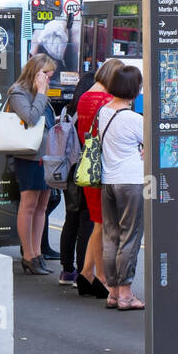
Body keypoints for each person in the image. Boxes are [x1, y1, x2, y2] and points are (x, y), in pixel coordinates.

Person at [72, 58, 123, 298]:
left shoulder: (85, 97)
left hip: (87, 164)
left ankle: (86, 273)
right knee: (102, 225)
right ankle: (100, 277)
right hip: (104, 166)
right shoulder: (107, 102)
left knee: (97, 222)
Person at [98, 65, 146, 310]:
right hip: (131, 182)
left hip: (108, 180)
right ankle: (126, 294)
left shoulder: (103, 112)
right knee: (130, 235)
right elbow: (153, 144)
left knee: (111, 236)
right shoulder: (133, 119)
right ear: (135, 89)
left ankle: (113, 292)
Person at [7, 53, 57, 275]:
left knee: (42, 206)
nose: (49, 79)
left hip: (45, 155)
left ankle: (37, 253)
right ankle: (27, 255)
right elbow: (31, 118)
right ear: (35, 72)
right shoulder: (19, 91)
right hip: (28, 155)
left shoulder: (39, 92)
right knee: (29, 203)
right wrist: (42, 93)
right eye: (46, 74)